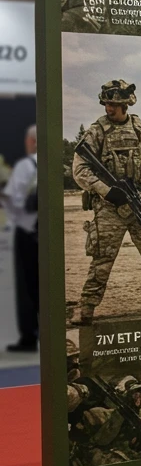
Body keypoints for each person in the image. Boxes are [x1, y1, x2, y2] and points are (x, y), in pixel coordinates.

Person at [71, 80, 141, 325]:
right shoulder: (96, 132)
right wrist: (105, 190)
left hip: (138, 205)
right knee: (103, 257)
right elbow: (80, 170)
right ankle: (87, 307)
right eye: (106, 104)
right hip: (109, 208)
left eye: (113, 104)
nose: (108, 108)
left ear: (125, 105)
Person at [2, 125, 39, 351]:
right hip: (47, 232)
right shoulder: (51, 164)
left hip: (27, 231)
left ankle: (29, 337)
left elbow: (11, 201)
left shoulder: (26, 166)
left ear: (32, 142)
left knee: (26, 287)